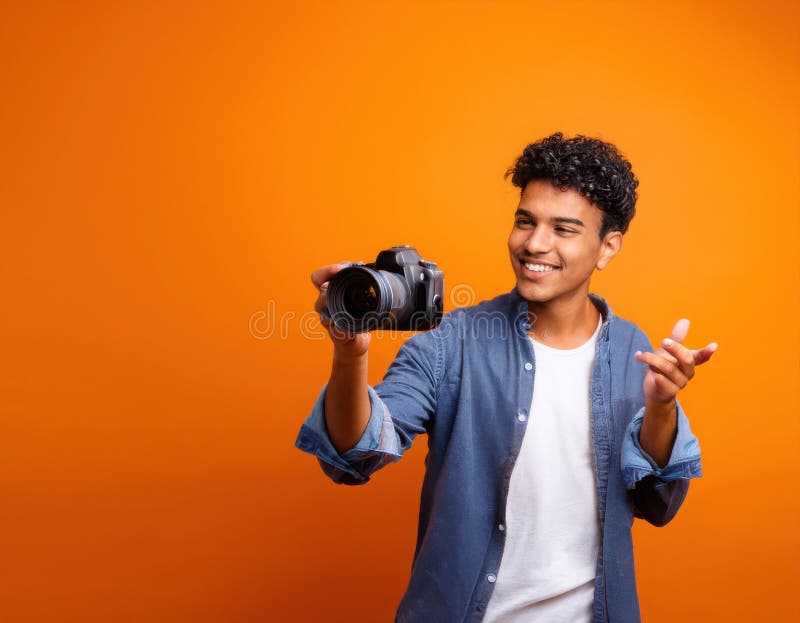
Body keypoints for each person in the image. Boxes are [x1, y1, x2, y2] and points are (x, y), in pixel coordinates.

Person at [295, 132, 717, 623]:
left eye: (563, 228)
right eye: (525, 221)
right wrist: (350, 353)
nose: (535, 243)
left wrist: (662, 408)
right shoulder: (452, 341)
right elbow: (354, 455)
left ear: (607, 247)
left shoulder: (632, 350)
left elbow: (658, 503)